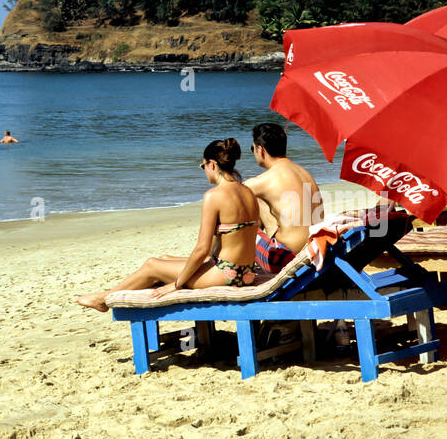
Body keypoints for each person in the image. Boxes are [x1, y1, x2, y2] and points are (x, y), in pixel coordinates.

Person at [76, 138, 264, 312]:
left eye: (203, 166)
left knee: (152, 265)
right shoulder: (247, 192)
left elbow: (201, 249)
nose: (204, 170)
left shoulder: (214, 196)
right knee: (164, 258)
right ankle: (128, 291)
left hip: (226, 275)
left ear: (212, 164)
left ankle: (104, 299)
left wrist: (176, 284)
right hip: (246, 271)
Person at [242, 122, 322, 271]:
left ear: (261, 150)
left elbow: (227, 197)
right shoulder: (305, 174)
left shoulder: (265, 180)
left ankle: (214, 260)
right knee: (260, 199)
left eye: (252, 148)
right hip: (313, 250)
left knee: (238, 226)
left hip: (283, 258)